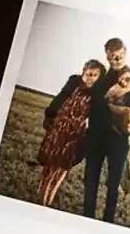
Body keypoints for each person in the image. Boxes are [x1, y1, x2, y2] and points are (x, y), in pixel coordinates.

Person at [82, 38, 130, 223]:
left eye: (119, 56)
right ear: (107, 56)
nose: (116, 60)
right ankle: (86, 220)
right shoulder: (101, 76)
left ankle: (107, 223)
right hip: (96, 136)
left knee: (113, 185)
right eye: (112, 57)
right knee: (90, 180)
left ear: (125, 52)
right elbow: (91, 102)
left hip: (119, 139)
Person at [36, 59, 105, 207]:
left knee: (61, 172)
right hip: (59, 132)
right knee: (49, 171)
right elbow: (59, 98)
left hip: (74, 137)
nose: (89, 78)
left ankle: (47, 203)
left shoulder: (97, 95)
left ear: (99, 77)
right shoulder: (73, 85)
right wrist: (49, 114)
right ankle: (40, 203)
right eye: (87, 74)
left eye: (94, 75)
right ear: (82, 73)